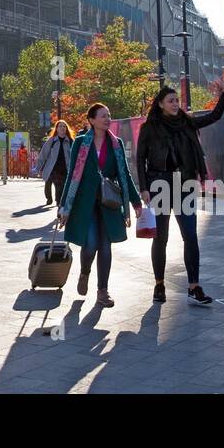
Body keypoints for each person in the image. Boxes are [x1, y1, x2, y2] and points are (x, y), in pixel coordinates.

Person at [135, 72, 224, 307]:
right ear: (160, 104)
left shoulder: (187, 122)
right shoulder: (150, 128)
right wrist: (144, 188)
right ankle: (159, 284)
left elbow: (215, 116)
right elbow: (140, 159)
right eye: (170, 101)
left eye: (177, 100)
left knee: (190, 236)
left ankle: (194, 286)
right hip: (160, 184)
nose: (175, 104)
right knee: (161, 238)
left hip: (185, 185)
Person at [56, 104, 143, 307]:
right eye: (103, 116)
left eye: (109, 115)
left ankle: (102, 291)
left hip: (109, 203)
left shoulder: (116, 144)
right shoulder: (80, 143)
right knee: (91, 244)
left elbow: (125, 175)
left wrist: (135, 201)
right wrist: (64, 206)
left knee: (105, 247)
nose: (107, 119)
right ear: (92, 120)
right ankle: (85, 272)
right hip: (85, 204)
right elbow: (72, 175)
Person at [35, 120, 74, 208]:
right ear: (56, 128)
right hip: (53, 168)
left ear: (66, 129)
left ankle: (59, 203)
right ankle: (54, 201)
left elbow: (76, 155)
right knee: (56, 185)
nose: (62, 128)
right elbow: (43, 154)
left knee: (63, 187)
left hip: (66, 168)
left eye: (64, 126)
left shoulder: (71, 141)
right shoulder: (52, 140)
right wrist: (37, 168)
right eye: (60, 126)